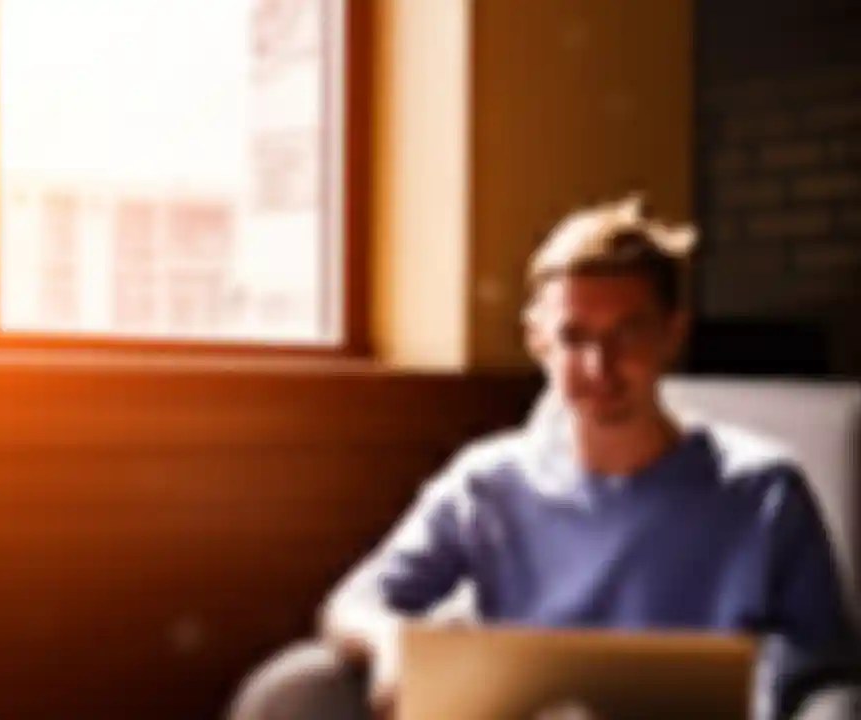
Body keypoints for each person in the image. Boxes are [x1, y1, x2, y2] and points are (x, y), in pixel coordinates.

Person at [228, 195, 859, 720]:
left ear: (672, 333)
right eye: (574, 338)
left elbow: (822, 671)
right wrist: (392, 642)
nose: (599, 368)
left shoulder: (764, 490)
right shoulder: (489, 482)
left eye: (628, 334)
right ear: (538, 342)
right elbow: (354, 603)